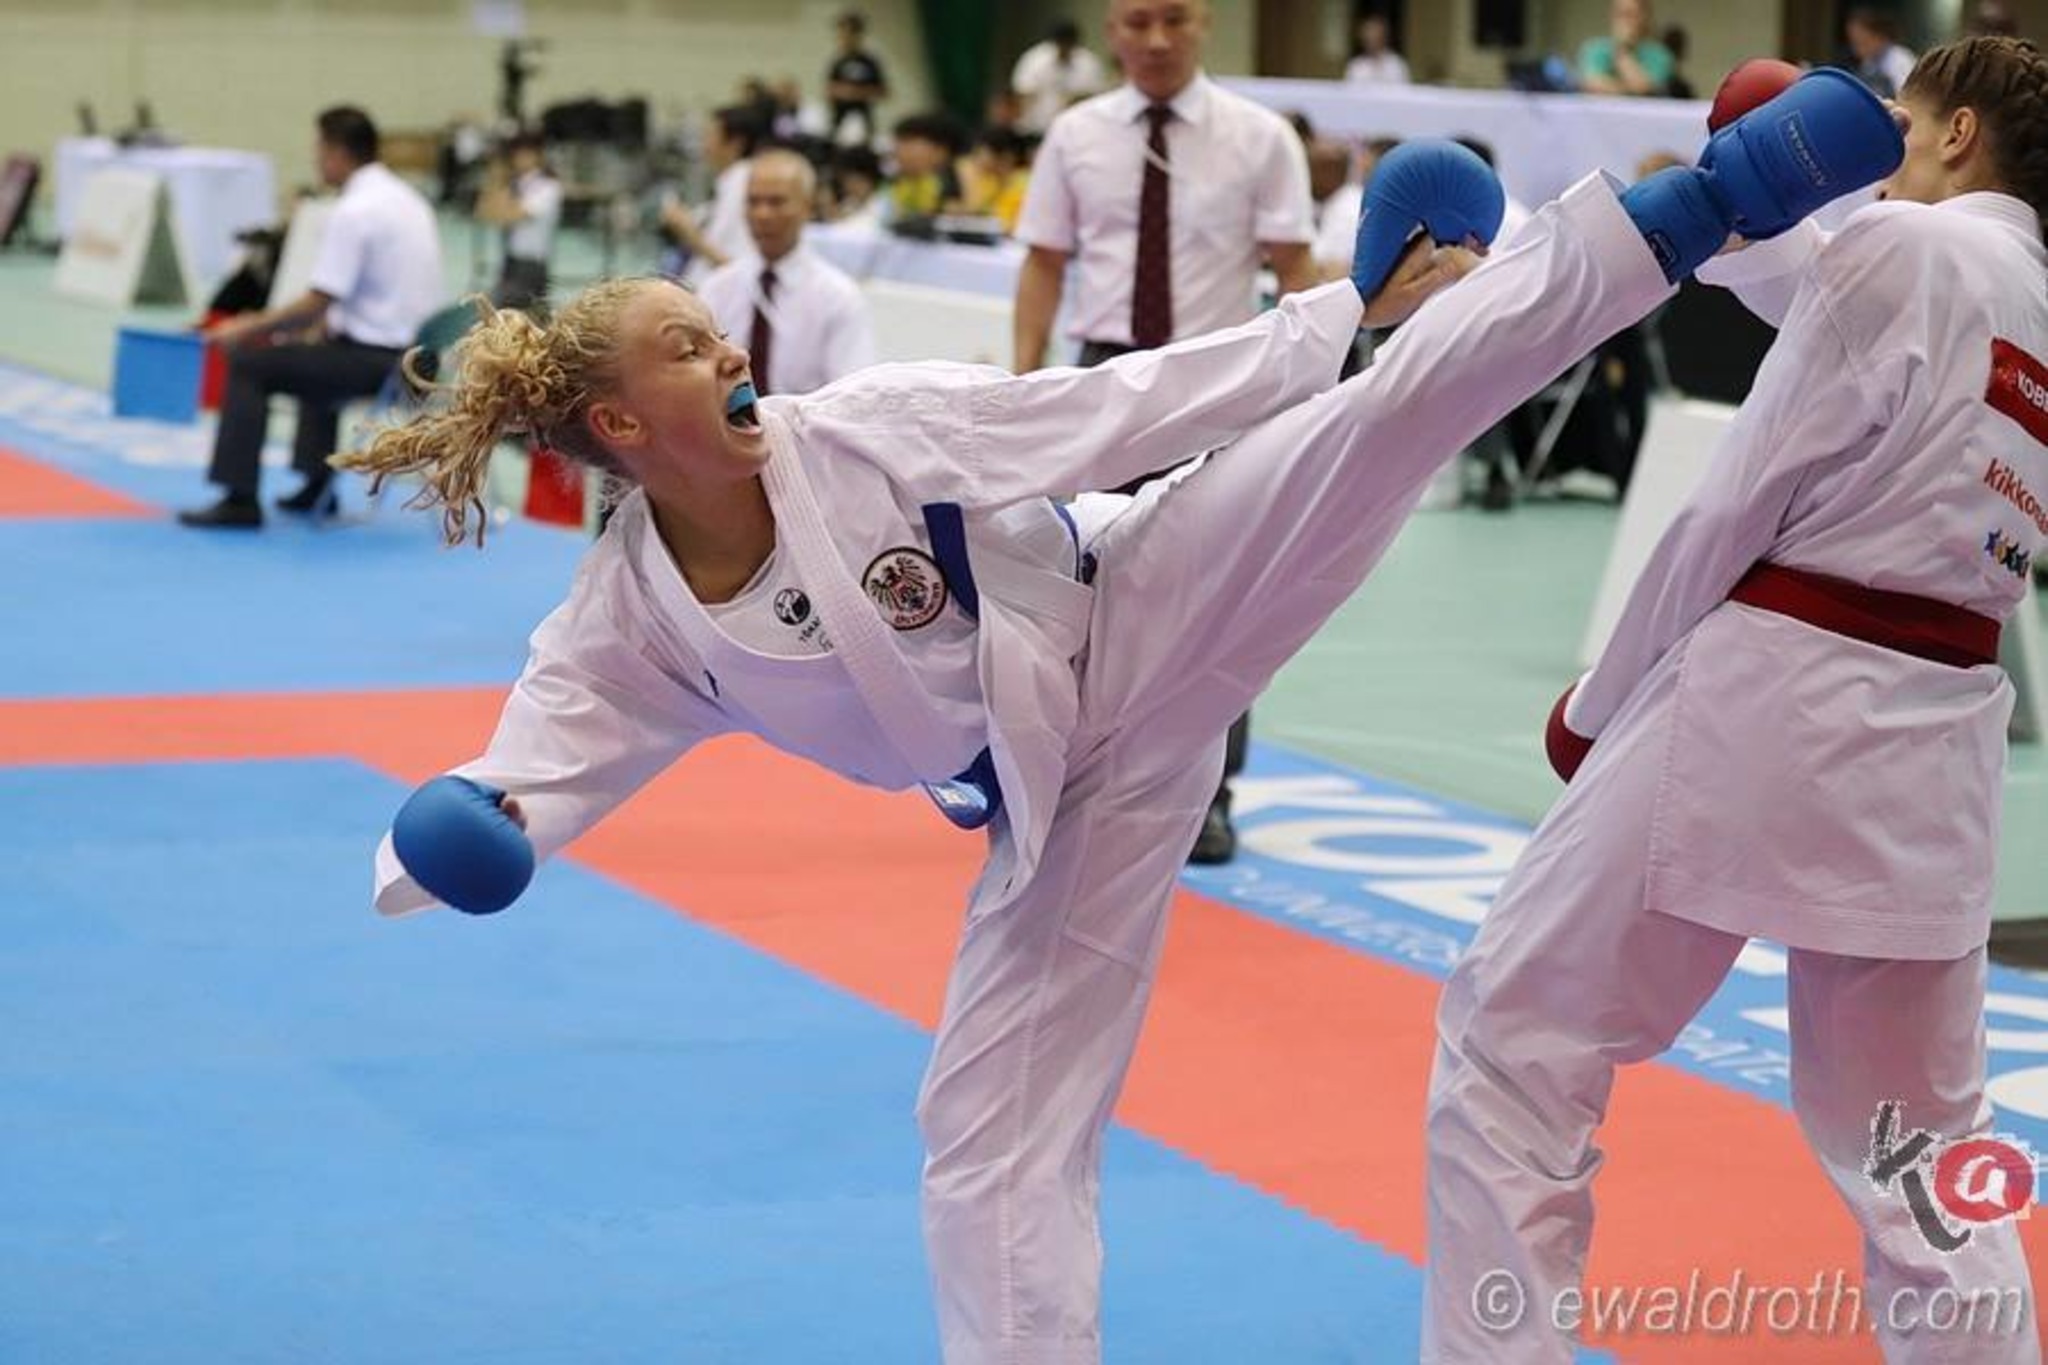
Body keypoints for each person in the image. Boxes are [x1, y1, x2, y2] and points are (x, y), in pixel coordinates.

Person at [338, 68, 1901, 1364]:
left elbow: (1113, 413)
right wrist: (488, 818)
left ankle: (1704, 203)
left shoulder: (860, 431)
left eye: (715, 325)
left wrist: (1329, 318)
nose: (730, 348)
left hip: (1151, 593)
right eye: (689, 347)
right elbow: (545, 743)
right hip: (1065, 802)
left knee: (1383, 415)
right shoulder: (626, 613)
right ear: (620, 426)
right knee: (987, 1132)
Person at [1423, 43, 2045, 1364]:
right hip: (1940, 734)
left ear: (1961, 135)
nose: (1882, 153)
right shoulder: (2012, 299)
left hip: (1772, 695)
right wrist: (1761, 217)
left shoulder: (1903, 256)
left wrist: (1594, 706)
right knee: (1925, 1155)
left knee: (1513, 1045)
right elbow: (1854, 322)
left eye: (1903, 127)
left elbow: (1733, 498)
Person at [1012, 0, 1319, 864]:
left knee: (1219, 590)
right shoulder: (1073, 135)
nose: (1154, 40)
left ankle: (1210, 792)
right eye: (1137, 22)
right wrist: (1025, 388)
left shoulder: (1262, 138)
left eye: (1173, 21)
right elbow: (1043, 263)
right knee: (1075, 584)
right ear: (1111, 29)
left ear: (1204, 24)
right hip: (1104, 377)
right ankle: (1068, 774)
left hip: (1220, 379)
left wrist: (1311, 398)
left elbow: (1295, 274)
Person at [178, 105, 442, 529]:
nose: (317, 160)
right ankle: (316, 485)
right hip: (423, 361)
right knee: (313, 350)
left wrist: (247, 327)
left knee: (249, 364)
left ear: (337, 152)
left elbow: (318, 301)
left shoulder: (354, 211)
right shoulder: (408, 201)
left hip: (380, 363)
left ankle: (239, 496)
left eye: (319, 150)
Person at [695, 149, 874, 397]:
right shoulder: (717, 288)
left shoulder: (838, 298)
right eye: (753, 202)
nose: (762, 214)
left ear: (808, 206)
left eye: (776, 202)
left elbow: (851, 396)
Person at [659, 104, 768, 282]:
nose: (704, 144)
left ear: (735, 143)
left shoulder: (743, 185)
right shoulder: (730, 182)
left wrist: (687, 230)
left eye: (710, 135)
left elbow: (731, 263)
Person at [476, 130, 562, 312]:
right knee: (504, 317)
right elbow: (483, 212)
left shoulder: (547, 186)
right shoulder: (513, 184)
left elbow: (513, 215)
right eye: (516, 154)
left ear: (538, 156)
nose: (519, 159)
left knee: (526, 319)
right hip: (510, 261)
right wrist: (496, 179)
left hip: (532, 264)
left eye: (525, 154)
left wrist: (501, 200)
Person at [1011, 20, 1108, 134]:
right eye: (1060, 43)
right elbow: (1023, 94)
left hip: (1075, 129)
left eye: (1068, 44)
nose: (1064, 48)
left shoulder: (1089, 63)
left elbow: (1095, 98)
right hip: (1035, 127)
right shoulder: (1034, 60)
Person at [1577, 0, 1675, 97]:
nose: (1625, 21)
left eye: (1631, 15)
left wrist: (1622, 50)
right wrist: (1628, 89)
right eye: (1620, 14)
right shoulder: (1594, 49)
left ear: (1644, 18)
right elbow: (1593, 85)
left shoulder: (1660, 55)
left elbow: (1644, 90)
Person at [825, 10, 889, 148]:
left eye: (847, 34)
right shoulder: (838, 62)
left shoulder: (870, 62)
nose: (843, 38)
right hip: (839, 122)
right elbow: (830, 89)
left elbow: (883, 91)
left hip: (863, 121)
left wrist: (854, 93)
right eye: (841, 34)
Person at [1847, 7, 1918, 99]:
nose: (1856, 50)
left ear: (1879, 36)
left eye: (1862, 42)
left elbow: (1909, 100)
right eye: (1854, 43)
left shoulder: (1901, 60)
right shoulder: (1869, 62)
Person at [1345, 13, 1412, 86]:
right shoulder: (1356, 66)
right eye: (1368, 35)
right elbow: (1350, 93)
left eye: (1375, 34)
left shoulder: (1396, 64)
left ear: (1383, 36)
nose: (1371, 38)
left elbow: (1404, 92)